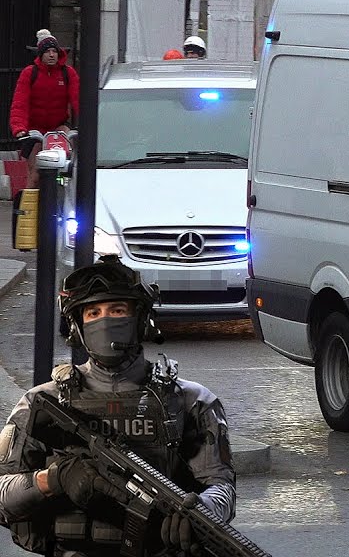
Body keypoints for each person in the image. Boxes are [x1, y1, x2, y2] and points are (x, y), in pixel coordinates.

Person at [0, 256, 236, 556]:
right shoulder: (43, 402)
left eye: (117, 310)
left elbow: (222, 487)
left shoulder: (191, 401)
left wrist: (202, 510)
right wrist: (53, 479)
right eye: (93, 313)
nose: (105, 321)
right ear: (77, 326)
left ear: (140, 319)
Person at [9, 30, 79, 191]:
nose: (52, 55)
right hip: (35, 130)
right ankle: (31, 205)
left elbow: (78, 100)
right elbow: (20, 103)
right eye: (47, 51)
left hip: (58, 126)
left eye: (54, 51)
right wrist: (19, 128)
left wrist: (89, 125)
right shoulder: (29, 73)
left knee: (70, 168)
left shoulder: (68, 73)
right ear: (40, 54)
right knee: (34, 176)